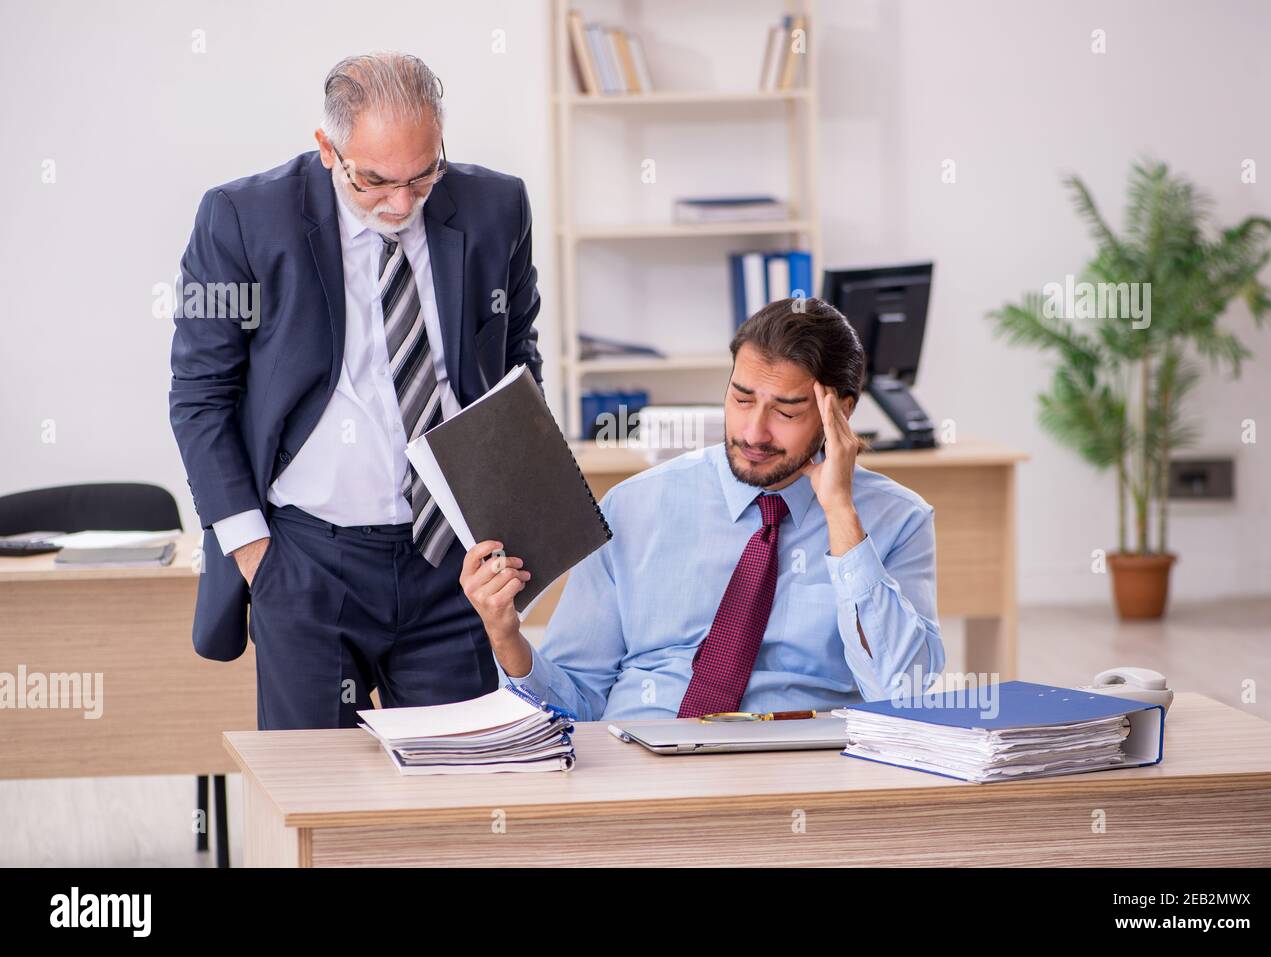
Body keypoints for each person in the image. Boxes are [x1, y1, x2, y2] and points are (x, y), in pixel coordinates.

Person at [170, 52, 542, 729]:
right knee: (315, 799)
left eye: (423, 174)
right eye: (374, 181)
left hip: (448, 561)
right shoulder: (241, 219)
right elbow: (200, 396)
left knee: (456, 788)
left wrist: (509, 518)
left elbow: (517, 361)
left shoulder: (497, 207)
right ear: (327, 148)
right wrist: (258, 557)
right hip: (306, 561)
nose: (401, 205)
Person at [460, 297, 944, 721]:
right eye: (741, 397)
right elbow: (576, 705)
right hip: (644, 763)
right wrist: (506, 638)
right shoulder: (632, 507)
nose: (754, 432)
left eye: (787, 411)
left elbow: (902, 694)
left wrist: (841, 514)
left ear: (840, 411)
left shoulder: (898, 521)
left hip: (800, 768)